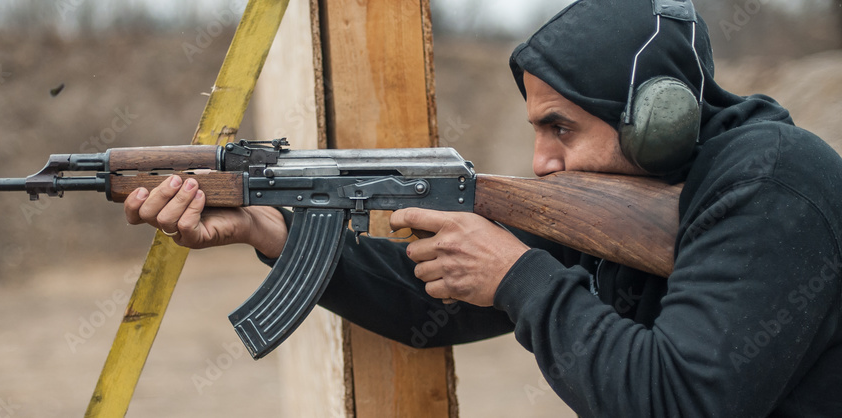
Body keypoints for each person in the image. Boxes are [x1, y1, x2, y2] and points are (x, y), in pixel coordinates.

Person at [125, 0, 842, 416]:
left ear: (657, 121)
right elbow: (427, 306)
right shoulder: (624, 200)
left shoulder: (770, 188)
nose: (541, 162)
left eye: (560, 128)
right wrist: (270, 229)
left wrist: (519, 275)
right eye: (536, 129)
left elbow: (681, 400)